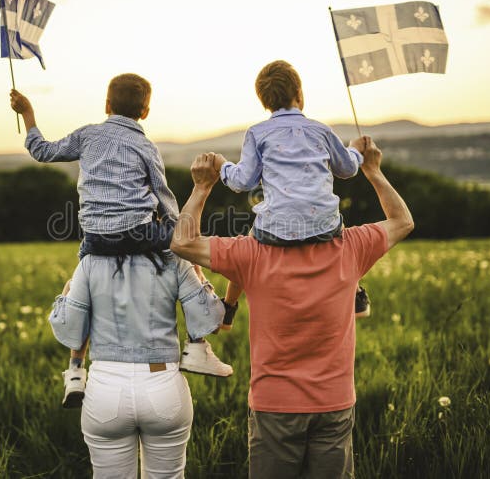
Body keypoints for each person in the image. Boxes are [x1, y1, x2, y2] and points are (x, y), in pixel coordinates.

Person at [170, 138, 414, 478]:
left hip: (274, 406)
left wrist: (201, 188)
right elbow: (402, 221)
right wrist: (372, 170)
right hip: (335, 403)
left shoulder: (252, 254)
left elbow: (181, 242)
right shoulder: (350, 247)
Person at [9, 74, 232, 406]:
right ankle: (198, 343)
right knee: (183, 254)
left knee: (79, 279)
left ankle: (74, 370)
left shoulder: (88, 135)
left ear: (107, 105)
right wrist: (179, 233)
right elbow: (164, 195)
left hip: (96, 238)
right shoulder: (145, 146)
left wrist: (27, 114)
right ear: (145, 112)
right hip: (139, 233)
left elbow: (42, 151)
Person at [211, 60, 372, 331]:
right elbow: (347, 169)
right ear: (300, 94)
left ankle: (228, 308)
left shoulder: (257, 133)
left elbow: (243, 181)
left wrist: (222, 166)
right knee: (341, 235)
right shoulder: (322, 130)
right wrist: (356, 150)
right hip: (324, 227)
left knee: (248, 244)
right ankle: (356, 296)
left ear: (264, 103)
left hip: (277, 230)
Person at [49, 248, 225, 478]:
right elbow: (210, 320)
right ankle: (198, 352)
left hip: (106, 388)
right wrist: (200, 276)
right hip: (163, 386)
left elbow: (69, 328)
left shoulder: (90, 262)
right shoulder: (174, 260)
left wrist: (65, 296)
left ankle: (74, 373)